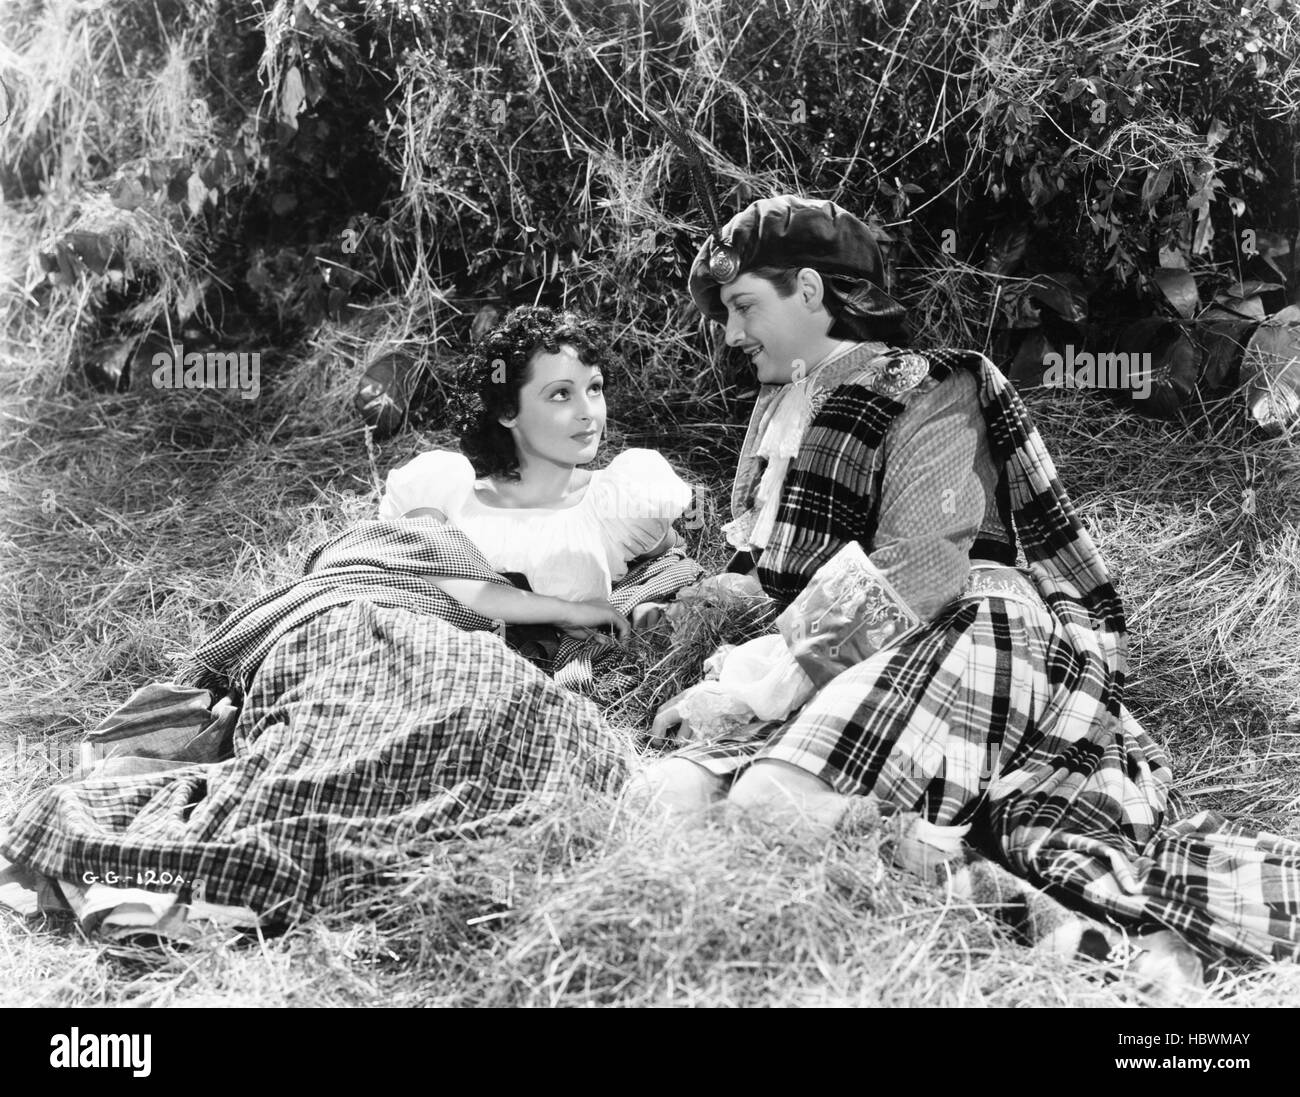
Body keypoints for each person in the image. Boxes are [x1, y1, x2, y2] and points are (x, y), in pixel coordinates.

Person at [629, 194, 1300, 964]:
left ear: (810, 290)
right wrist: (690, 607)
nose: (731, 333)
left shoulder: (928, 382)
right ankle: (1013, 901)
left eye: (744, 305)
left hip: (967, 625)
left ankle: (1085, 938)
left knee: (768, 808)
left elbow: (918, 568)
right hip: (851, 650)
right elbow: (777, 565)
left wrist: (753, 689)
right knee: (668, 801)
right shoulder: (781, 404)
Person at [377, 304, 694, 650]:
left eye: (595, 388)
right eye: (561, 394)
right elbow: (414, 575)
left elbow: (671, 554)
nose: (588, 413)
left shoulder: (617, 501)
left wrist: (650, 604)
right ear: (508, 411)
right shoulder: (443, 489)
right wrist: (563, 611)